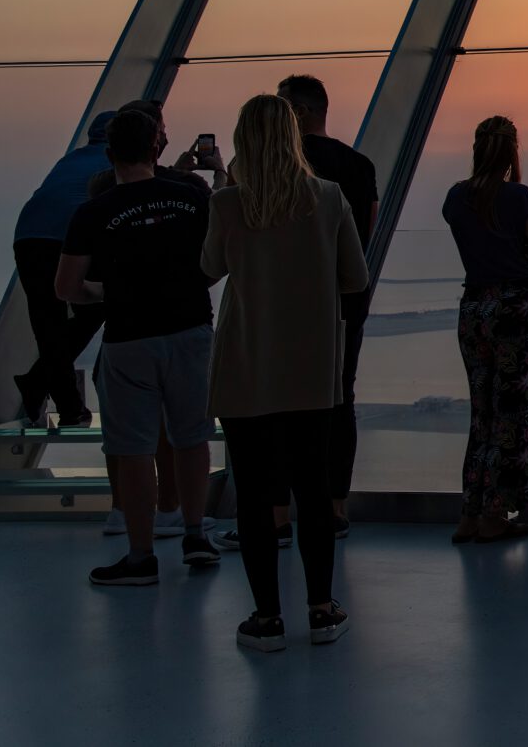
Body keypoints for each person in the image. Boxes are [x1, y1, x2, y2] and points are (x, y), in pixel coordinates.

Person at [203, 94, 368, 651]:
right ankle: (321, 610)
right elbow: (355, 277)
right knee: (313, 492)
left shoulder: (228, 203)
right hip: (312, 366)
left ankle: (267, 617)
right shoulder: (327, 198)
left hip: (248, 365)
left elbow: (207, 269)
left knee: (253, 496)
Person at [56, 109, 224, 585]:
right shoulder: (191, 197)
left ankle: (140, 555)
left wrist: (106, 293)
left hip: (129, 338)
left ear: (109, 157)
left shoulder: (93, 212)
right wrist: (194, 286)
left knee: (132, 449)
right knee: (191, 436)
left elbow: (67, 287)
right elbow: (219, 260)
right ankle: (195, 535)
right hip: (190, 330)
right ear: (157, 149)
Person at [443, 116, 528, 543]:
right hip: (514, 310)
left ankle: (469, 512)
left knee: (483, 412)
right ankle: (496, 513)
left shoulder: (455, 197)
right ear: (513, 152)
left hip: (474, 307)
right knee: (514, 413)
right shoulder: (518, 197)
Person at [277, 75, 379, 539]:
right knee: (340, 399)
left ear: (298, 113)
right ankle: (335, 506)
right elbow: (366, 234)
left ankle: (279, 512)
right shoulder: (359, 166)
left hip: (287, 301)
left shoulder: (274, 166)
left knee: (276, 403)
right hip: (344, 301)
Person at [11, 109, 116, 429]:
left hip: (28, 236)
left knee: (48, 323)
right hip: (68, 238)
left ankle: (69, 407)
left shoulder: (72, 159)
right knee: (97, 305)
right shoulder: (117, 162)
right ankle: (40, 382)